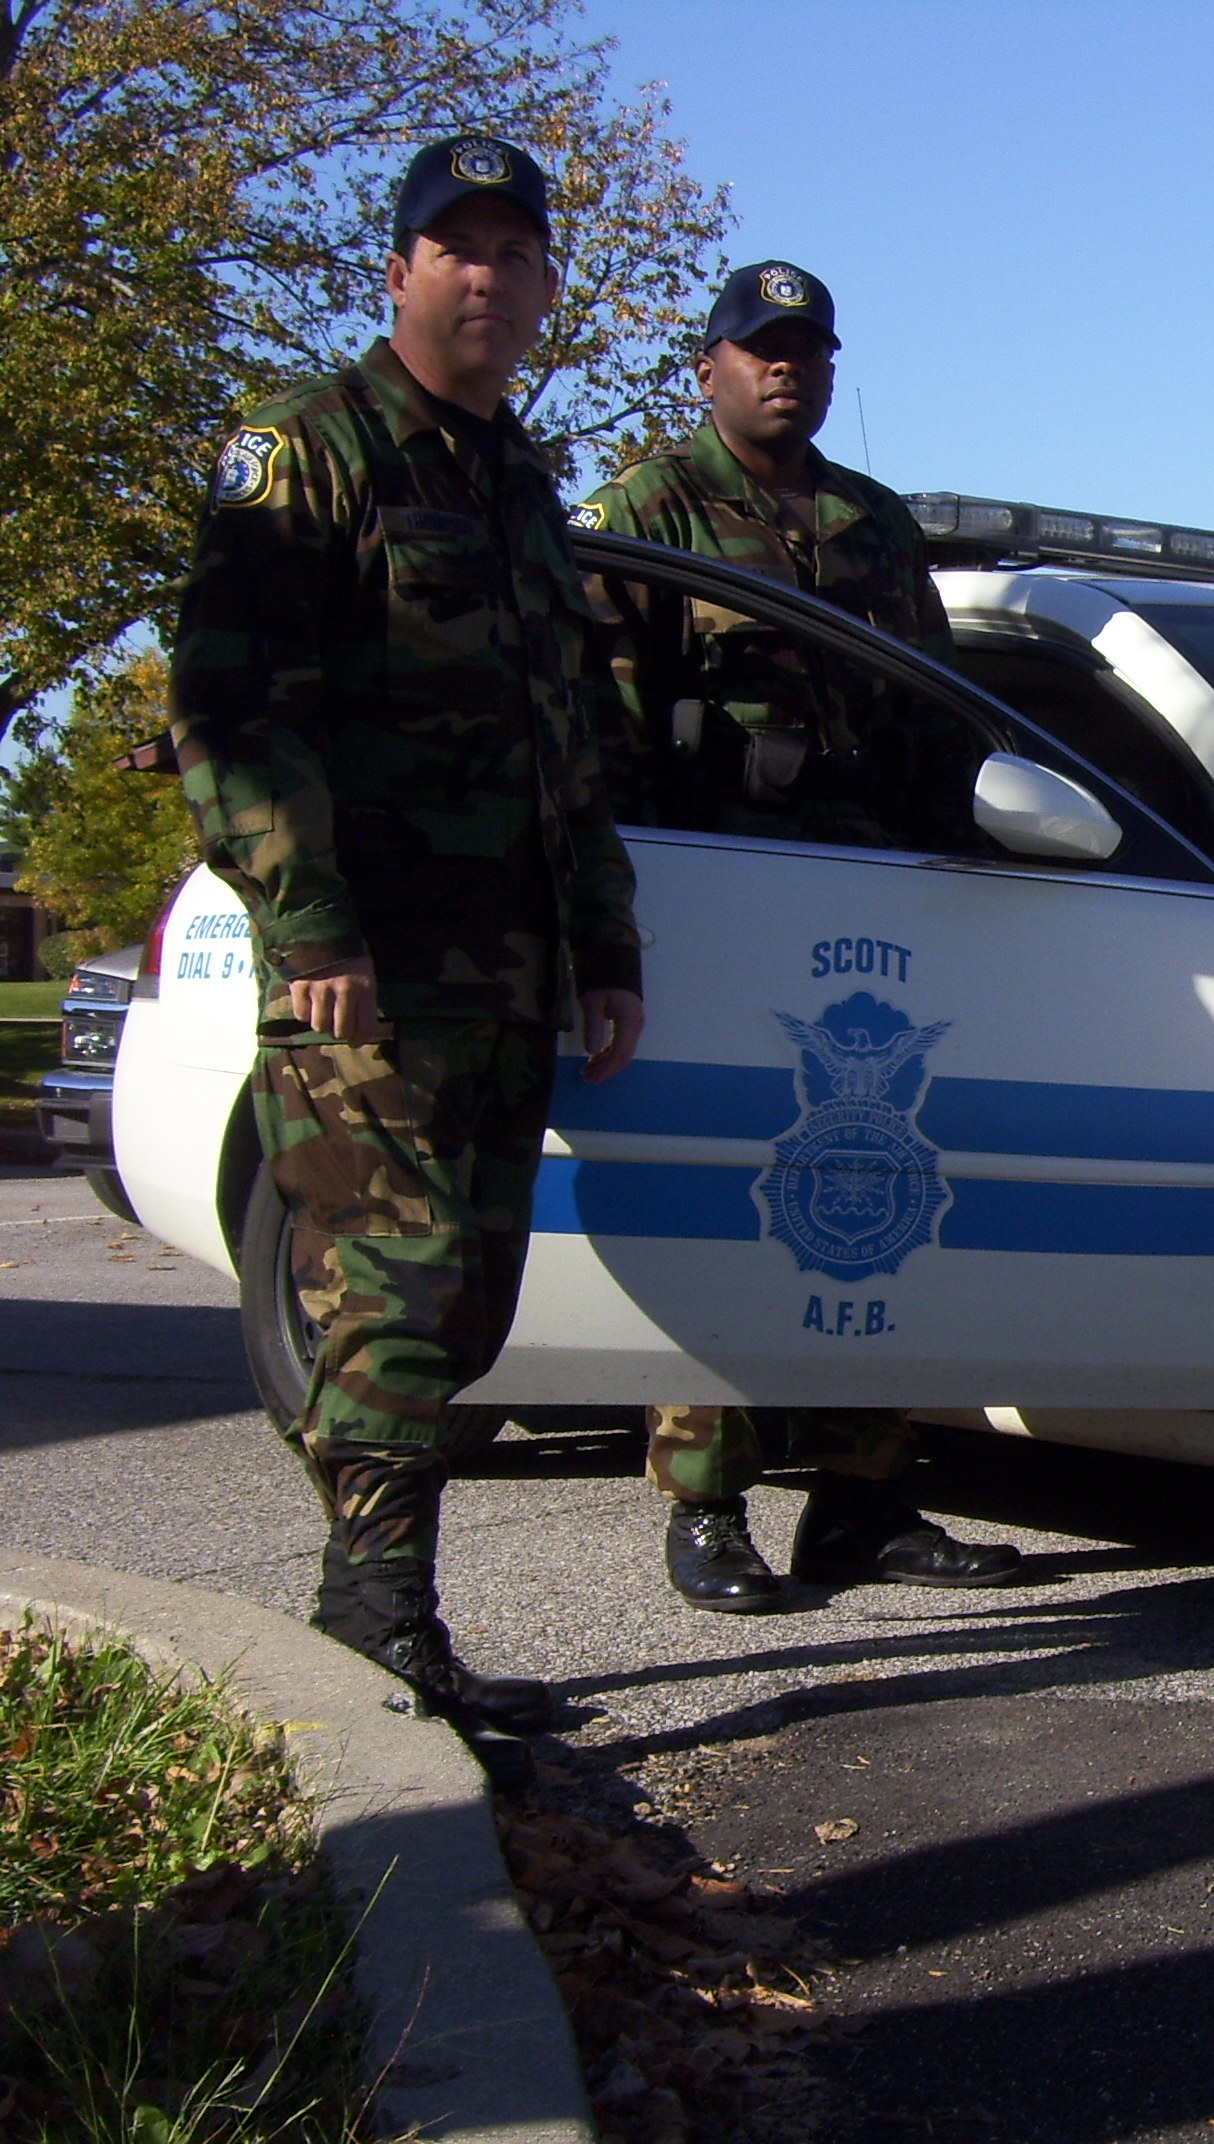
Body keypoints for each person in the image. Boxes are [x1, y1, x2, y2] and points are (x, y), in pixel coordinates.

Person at [169, 135, 646, 1740]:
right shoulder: (310, 451)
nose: (489, 277)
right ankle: (375, 1634)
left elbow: (569, 748)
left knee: (467, 1305)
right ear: (398, 272)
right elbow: (232, 710)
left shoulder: (520, 485)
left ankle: (380, 1623)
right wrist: (310, 918)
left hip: (506, 972)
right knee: (398, 1289)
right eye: (460, 248)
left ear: (545, 285)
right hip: (366, 972)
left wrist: (605, 948)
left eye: (516, 253)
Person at [574, 258, 1022, 1613]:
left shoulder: (872, 522)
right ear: (708, 366)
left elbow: (937, 707)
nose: (789, 366)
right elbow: (602, 730)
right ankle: (705, 1502)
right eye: (762, 346)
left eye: (811, 348)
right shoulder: (647, 511)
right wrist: (631, 903)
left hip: (872, 894)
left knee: (872, 1172)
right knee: (722, 1189)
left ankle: (863, 1499)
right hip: (715, 891)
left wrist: (967, 860)